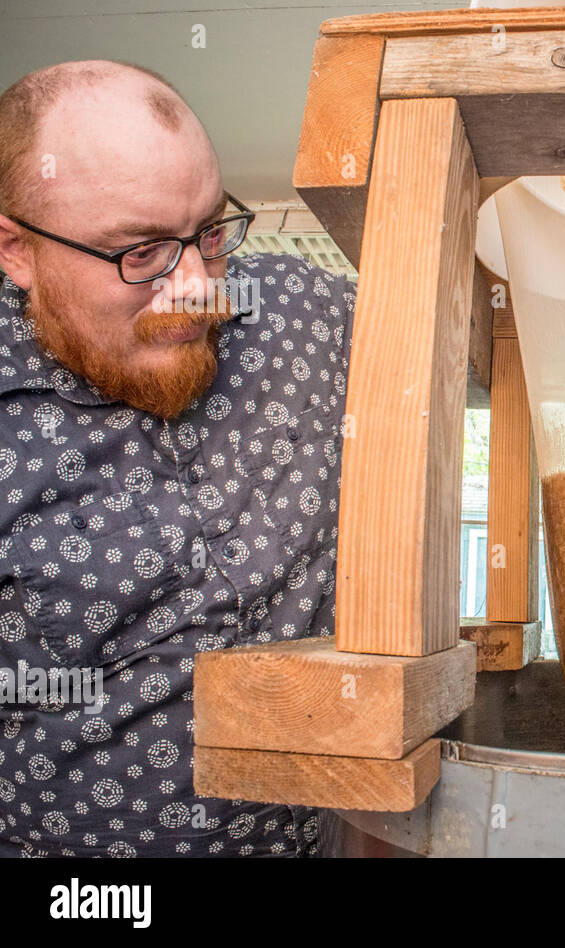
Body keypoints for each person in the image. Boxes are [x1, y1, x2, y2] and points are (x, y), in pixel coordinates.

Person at [0, 60, 355, 856]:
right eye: (142, 252)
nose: (195, 287)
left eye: (208, 234)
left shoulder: (302, 317)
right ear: (16, 250)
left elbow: (451, 314)